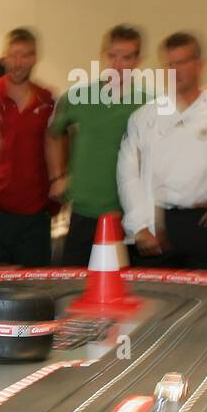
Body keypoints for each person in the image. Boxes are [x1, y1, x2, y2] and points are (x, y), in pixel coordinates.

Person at [117, 32, 207, 269]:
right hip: (158, 223)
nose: (175, 70)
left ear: (199, 64)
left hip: (205, 225)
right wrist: (140, 227)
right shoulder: (145, 117)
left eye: (182, 62)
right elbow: (129, 174)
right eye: (169, 64)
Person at [48, 24, 149, 266]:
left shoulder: (149, 103)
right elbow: (53, 134)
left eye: (126, 58)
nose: (118, 64)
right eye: (112, 55)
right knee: (72, 287)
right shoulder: (77, 96)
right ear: (103, 55)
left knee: (122, 291)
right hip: (83, 209)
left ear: (138, 61)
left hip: (127, 212)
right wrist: (57, 176)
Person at [0, 28, 58, 267]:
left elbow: (55, 142)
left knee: (35, 292)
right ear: (3, 58)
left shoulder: (47, 99)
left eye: (26, 55)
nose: (19, 63)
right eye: (14, 55)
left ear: (35, 58)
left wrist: (58, 179)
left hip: (35, 215)